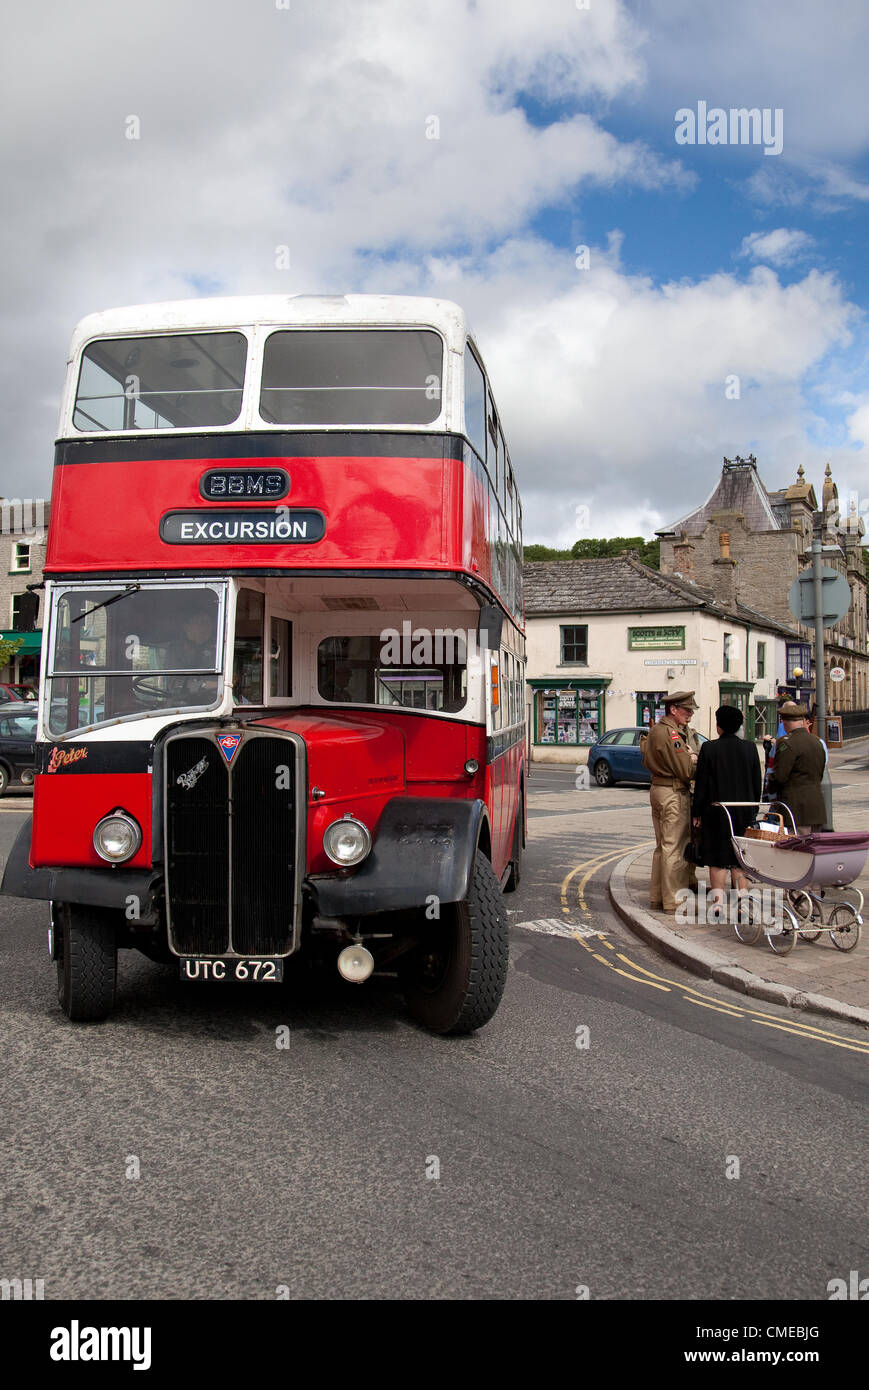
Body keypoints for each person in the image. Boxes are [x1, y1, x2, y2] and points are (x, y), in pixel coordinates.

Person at [692, 705, 762, 905]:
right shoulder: (750, 748)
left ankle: (718, 903)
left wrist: (697, 813)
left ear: (719, 726)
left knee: (717, 857)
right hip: (744, 810)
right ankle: (741, 901)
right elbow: (757, 781)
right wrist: (754, 808)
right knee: (740, 857)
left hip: (717, 811)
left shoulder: (709, 748)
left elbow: (702, 784)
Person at [641, 690, 700, 912]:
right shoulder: (673, 735)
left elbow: (646, 759)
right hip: (673, 792)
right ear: (673, 709)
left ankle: (657, 896)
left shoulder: (656, 730)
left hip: (657, 789)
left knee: (661, 847)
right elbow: (685, 770)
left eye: (691, 711)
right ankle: (674, 899)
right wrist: (695, 760)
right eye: (686, 710)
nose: (690, 715)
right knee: (674, 847)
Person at [769, 701, 827, 834]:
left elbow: (780, 776)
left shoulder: (786, 743)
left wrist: (770, 789)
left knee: (797, 850)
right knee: (813, 851)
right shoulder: (818, 742)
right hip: (816, 808)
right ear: (802, 721)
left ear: (784, 722)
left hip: (796, 808)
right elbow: (820, 773)